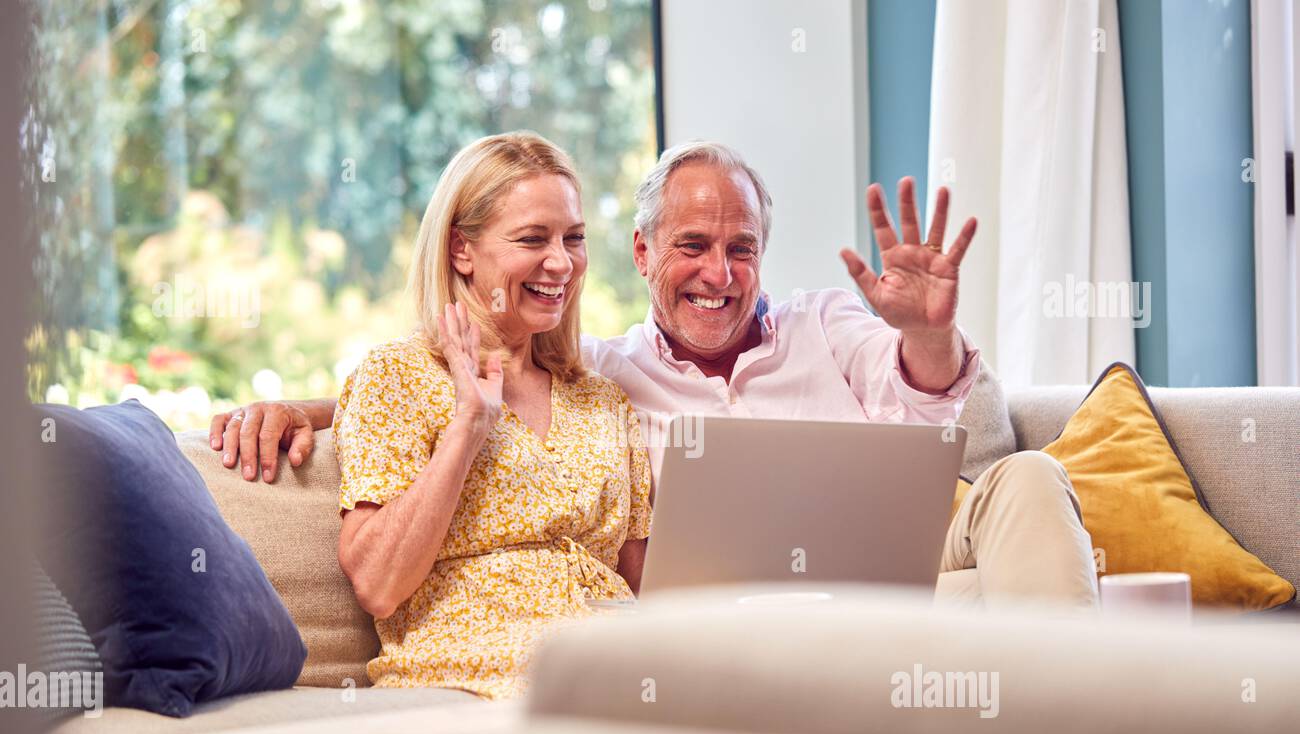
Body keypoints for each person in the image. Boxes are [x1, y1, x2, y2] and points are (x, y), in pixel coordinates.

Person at [212, 141, 1098, 609]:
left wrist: (928, 335)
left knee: (1028, 477)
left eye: (740, 249)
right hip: (747, 608)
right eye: (693, 246)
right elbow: (479, 381)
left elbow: (937, 404)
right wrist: (309, 407)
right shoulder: (605, 375)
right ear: (642, 253)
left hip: (895, 561)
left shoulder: (828, 323)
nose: (719, 273)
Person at [323, 132, 650, 700]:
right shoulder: (398, 377)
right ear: (461, 250)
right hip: (477, 676)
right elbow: (378, 584)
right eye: (532, 238)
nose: (560, 262)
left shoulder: (602, 399)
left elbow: (646, 583)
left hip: (615, 664)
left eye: (574, 238)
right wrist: (469, 425)